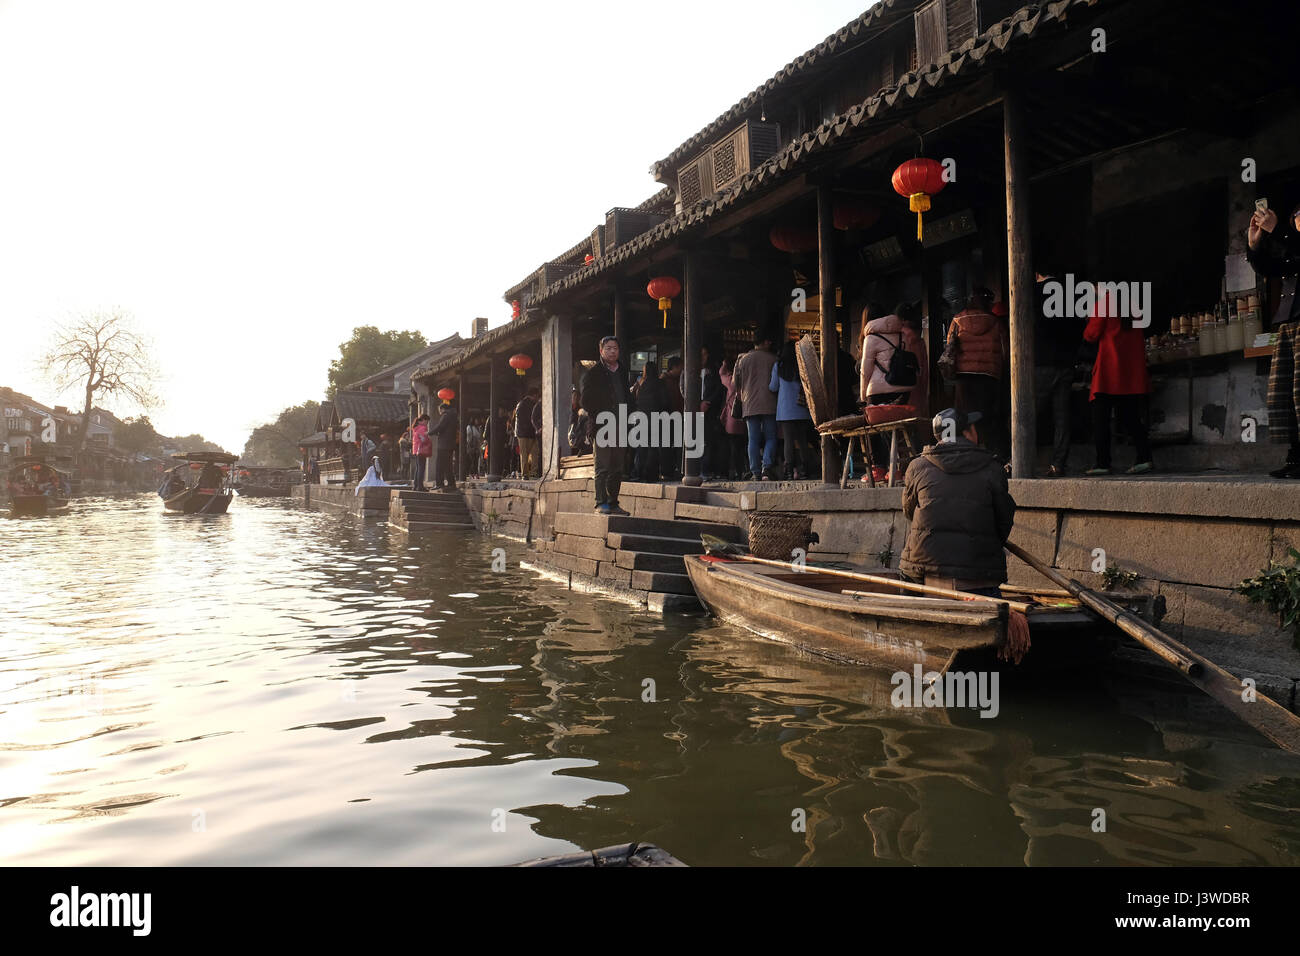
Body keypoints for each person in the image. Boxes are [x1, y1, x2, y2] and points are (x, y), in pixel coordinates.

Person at [900, 407, 1016, 597]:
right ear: (967, 432)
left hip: (925, 569)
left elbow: (909, 512)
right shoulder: (994, 469)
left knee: (908, 573)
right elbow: (1004, 520)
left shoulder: (917, 467)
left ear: (939, 437)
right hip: (979, 573)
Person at [1248, 199, 1300, 477]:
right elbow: (1273, 268)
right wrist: (1255, 245)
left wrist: (1278, 229)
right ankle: (1295, 458)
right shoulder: (1293, 231)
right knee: (1284, 395)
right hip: (1288, 321)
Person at [1083, 289, 1152, 476]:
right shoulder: (1135, 304)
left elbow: (1090, 334)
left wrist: (1089, 317)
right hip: (1129, 372)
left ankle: (1103, 462)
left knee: (1100, 418)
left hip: (1108, 372)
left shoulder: (1105, 303)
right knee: (1130, 417)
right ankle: (1144, 457)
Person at [946, 288, 1009, 460]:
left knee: (962, 417)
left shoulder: (958, 320)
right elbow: (1005, 351)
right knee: (988, 417)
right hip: (989, 376)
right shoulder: (995, 322)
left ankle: (962, 454)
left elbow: (950, 348)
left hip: (963, 376)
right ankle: (992, 455)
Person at [1034, 270, 1085, 477]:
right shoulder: (1070, 293)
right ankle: (1058, 464)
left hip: (1041, 362)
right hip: (1066, 363)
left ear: (1037, 273)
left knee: (1029, 414)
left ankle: (1018, 459)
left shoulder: (1032, 292)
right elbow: (1080, 325)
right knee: (1062, 417)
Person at [579, 334, 631, 514]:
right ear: (601, 351)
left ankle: (613, 503)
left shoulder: (622, 371)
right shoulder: (593, 373)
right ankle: (600, 503)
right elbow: (585, 401)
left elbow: (627, 396)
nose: (612, 351)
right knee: (602, 466)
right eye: (608, 348)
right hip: (602, 425)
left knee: (617, 467)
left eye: (615, 348)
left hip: (621, 424)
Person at [733, 331, 779, 480]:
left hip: (750, 404)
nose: (770, 344)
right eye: (769, 341)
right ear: (765, 342)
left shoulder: (742, 359)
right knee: (771, 437)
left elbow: (735, 384)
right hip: (769, 402)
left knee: (753, 439)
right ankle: (767, 468)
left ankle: (755, 471)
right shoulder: (773, 359)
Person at [770, 340, 813, 479]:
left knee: (788, 441)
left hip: (785, 409)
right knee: (802, 440)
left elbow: (773, 386)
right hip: (801, 408)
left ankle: (789, 471)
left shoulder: (779, 366)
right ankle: (805, 470)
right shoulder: (802, 365)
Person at [631, 358, 666, 481]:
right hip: (656, 418)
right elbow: (664, 402)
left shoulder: (641, 384)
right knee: (653, 447)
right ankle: (651, 474)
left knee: (641, 447)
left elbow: (636, 400)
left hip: (641, 418)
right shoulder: (660, 383)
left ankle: (639, 472)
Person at [700, 344, 725, 481]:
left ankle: (706, 470)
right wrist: (695, 403)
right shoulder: (690, 370)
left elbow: (718, 389)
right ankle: (695, 469)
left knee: (708, 441)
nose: (704, 357)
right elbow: (683, 387)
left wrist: (707, 402)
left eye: (705, 354)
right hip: (694, 410)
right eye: (701, 354)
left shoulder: (713, 371)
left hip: (709, 412)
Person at [719, 357, 747, 479]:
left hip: (733, 420)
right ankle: (746, 469)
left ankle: (737, 471)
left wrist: (724, 363)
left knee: (734, 447)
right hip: (746, 419)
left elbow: (721, 373)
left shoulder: (731, 380)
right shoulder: (748, 380)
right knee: (744, 446)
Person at [662, 356, 684, 479]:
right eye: (680, 367)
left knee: (675, 444)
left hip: (675, 416)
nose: (682, 369)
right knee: (671, 444)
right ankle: (669, 470)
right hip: (670, 417)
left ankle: (672, 469)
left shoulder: (672, 380)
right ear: (674, 367)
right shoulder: (667, 381)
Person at [429, 401, 459, 491]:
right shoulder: (454, 416)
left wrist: (429, 433)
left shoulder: (445, 416)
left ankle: (439, 483)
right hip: (450, 444)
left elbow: (440, 427)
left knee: (440, 465)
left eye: (439, 410)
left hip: (443, 444)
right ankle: (451, 483)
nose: (439, 412)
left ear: (442, 409)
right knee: (448, 465)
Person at [514, 388, 539, 479]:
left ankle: (526, 474)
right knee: (534, 453)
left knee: (524, 455)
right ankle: (533, 472)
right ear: (534, 395)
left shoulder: (520, 404)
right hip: (529, 432)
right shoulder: (532, 405)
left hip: (522, 433)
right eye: (537, 395)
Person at [567, 386, 591, 456]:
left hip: (578, 438)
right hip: (572, 437)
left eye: (577, 396)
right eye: (574, 396)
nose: (575, 398)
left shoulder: (581, 410)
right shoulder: (568, 409)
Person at [411, 413, 432, 491]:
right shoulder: (423, 428)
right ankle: (420, 486)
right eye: (427, 422)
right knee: (421, 468)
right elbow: (424, 439)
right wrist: (429, 440)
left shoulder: (416, 428)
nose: (427, 424)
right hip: (422, 450)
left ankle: (415, 486)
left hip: (416, 450)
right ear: (423, 420)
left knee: (418, 468)